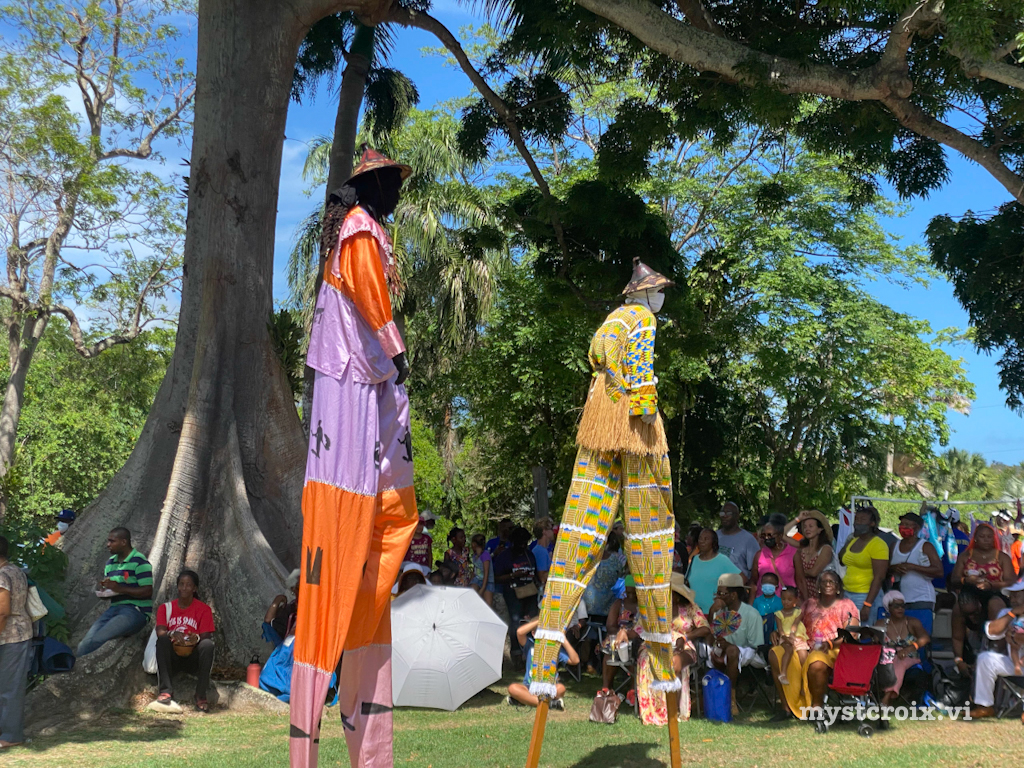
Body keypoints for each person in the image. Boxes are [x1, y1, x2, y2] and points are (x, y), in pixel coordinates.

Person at [291, 146, 420, 768]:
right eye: (389, 181)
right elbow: (371, 297)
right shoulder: (360, 230)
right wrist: (395, 351)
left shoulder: (368, 229)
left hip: (364, 380)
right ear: (369, 184)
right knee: (344, 520)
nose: (396, 191)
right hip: (351, 378)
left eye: (397, 182)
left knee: (389, 514)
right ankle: (314, 738)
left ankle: (369, 747)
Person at [529, 259, 679, 706]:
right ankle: (661, 662)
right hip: (633, 424)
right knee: (650, 531)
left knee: (581, 527)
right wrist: (645, 405)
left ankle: (542, 661)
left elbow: (597, 355)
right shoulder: (642, 319)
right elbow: (638, 366)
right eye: (659, 291)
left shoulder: (612, 319)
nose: (662, 298)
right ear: (645, 293)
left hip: (599, 421)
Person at [770, 570, 858, 720]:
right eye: (824, 582)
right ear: (818, 586)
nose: (828, 584)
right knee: (775, 653)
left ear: (838, 587)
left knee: (816, 660)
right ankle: (786, 708)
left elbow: (852, 635)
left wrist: (829, 643)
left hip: (833, 648)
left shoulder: (846, 605)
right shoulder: (809, 604)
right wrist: (777, 632)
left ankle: (815, 708)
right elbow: (792, 621)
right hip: (803, 645)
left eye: (832, 582)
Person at [637, 573, 710, 725]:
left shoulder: (690, 608)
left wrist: (685, 638)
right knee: (646, 659)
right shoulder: (654, 607)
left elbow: (705, 628)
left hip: (683, 645)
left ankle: (672, 710)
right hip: (656, 643)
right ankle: (654, 710)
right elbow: (638, 628)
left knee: (674, 662)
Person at [77, 528, 153, 656]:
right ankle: (76, 670)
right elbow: (113, 589)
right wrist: (105, 592)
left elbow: (148, 591)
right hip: (114, 609)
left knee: (98, 639)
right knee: (83, 644)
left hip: (136, 611)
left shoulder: (140, 561)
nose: (108, 544)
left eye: (112, 541)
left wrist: (120, 588)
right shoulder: (110, 563)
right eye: (108, 541)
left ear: (124, 542)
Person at [151, 570, 216, 713]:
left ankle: (200, 694)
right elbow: (160, 631)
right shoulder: (165, 608)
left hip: (192, 659)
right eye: (181, 584)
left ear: (195, 588)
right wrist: (172, 633)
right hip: (172, 658)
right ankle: (166, 691)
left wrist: (196, 639)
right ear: (177, 587)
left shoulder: (203, 609)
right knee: (162, 641)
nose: (184, 588)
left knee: (208, 645)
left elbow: (206, 636)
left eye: (188, 585)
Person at [709, 573, 764, 716]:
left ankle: (731, 698)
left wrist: (728, 646)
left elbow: (755, 645)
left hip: (747, 650)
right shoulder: (719, 611)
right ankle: (707, 695)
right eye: (717, 593)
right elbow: (711, 635)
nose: (718, 597)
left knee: (733, 651)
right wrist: (711, 611)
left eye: (722, 593)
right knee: (702, 649)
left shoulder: (751, 614)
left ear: (733, 595)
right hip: (722, 649)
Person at [970, 579, 1024, 719]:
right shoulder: (1008, 613)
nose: (1012, 599)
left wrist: (1014, 636)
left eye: (1016, 595)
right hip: (1016, 664)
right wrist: (1013, 613)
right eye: (1011, 595)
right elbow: (992, 632)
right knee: (985, 659)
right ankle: (985, 706)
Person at [507, 617, 579, 710]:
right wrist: (542, 620)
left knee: (561, 688)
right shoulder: (530, 645)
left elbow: (575, 660)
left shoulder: (555, 649)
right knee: (513, 688)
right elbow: (520, 632)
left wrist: (563, 639)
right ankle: (549, 704)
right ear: (533, 634)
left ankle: (524, 700)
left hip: (550, 688)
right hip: (529, 687)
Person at [0, 535, 31, 749]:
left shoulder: (2, 575)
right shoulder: (15, 570)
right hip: (20, 633)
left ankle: (11, 736)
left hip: (9, 635)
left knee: (9, 688)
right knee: (11, 686)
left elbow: (2, 611)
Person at [889, 512, 942, 635]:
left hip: (921, 598)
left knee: (920, 634)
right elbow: (886, 569)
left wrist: (913, 567)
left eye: (907, 525)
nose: (903, 527)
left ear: (917, 528)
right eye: (901, 524)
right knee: (900, 634)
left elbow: (939, 571)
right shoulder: (894, 546)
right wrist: (894, 568)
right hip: (900, 599)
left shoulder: (925, 546)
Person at [874, 590, 929, 706]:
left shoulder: (912, 622)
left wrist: (909, 648)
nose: (900, 609)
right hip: (888, 658)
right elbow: (875, 642)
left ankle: (887, 696)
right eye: (896, 606)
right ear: (888, 607)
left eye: (902, 606)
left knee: (900, 661)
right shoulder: (880, 624)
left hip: (909, 658)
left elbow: (925, 638)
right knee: (891, 661)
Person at [494, 527, 539, 664]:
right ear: (514, 542)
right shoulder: (505, 556)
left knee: (533, 622)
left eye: (525, 543)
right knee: (516, 623)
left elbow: (536, 573)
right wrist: (514, 575)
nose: (523, 546)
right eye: (520, 543)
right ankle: (517, 656)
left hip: (530, 593)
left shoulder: (529, 555)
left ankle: (533, 655)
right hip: (513, 593)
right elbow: (497, 577)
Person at [837, 506, 888, 625]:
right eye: (856, 519)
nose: (858, 522)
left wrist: (868, 604)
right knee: (847, 630)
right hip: (847, 593)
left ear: (872, 523)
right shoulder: (854, 540)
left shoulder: (878, 545)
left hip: (865, 595)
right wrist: (850, 540)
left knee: (864, 631)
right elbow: (841, 559)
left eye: (862, 520)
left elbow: (879, 577)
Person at [685, 528, 740, 614]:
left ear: (713, 543)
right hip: (693, 612)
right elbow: (688, 581)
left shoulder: (722, 560)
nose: (702, 541)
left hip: (714, 613)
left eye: (706, 539)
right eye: (700, 538)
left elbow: (741, 578)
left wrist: (724, 595)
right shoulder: (694, 559)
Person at [749, 515, 798, 598]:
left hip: (786, 603)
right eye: (764, 535)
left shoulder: (794, 536)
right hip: (763, 604)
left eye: (770, 535)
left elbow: (800, 581)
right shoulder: (759, 554)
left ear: (779, 534)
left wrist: (798, 519)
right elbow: (754, 581)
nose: (766, 538)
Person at [791, 510, 834, 601]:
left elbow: (814, 572)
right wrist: (798, 518)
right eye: (805, 526)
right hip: (801, 593)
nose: (807, 529)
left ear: (820, 529)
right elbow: (782, 534)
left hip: (818, 594)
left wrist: (795, 572)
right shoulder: (802, 546)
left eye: (811, 526)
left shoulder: (825, 549)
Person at [773, 586, 808, 688]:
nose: (786, 602)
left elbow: (795, 624)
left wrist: (792, 635)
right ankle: (783, 674)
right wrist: (785, 637)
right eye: (783, 599)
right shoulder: (779, 614)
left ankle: (803, 681)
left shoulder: (798, 612)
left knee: (803, 655)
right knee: (788, 649)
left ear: (796, 600)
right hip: (785, 638)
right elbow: (780, 629)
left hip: (798, 637)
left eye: (789, 599)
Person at [717, 502, 760, 580]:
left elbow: (755, 570)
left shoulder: (748, 539)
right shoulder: (715, 536)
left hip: (736, 587)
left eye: (729, 513)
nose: (725, 516)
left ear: (737, 516)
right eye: (722, 513)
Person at [264, 569, 300, 644]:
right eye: (298, 588)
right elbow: (268, 622)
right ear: (293, 589)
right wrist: (277, 601)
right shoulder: (289, 609)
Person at [402, 510, 436, 578]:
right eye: (417, 525)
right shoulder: (408, 538)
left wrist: (429, 568)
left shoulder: (427, 538)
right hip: (409, 565)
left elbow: (429, 554)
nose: (419, 527)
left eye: (421, 524)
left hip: (423, 566)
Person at [469, 533, 495, 606]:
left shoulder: (485, 555)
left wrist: (483, 588)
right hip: (477, 580)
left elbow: (486, 573)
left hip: (488, 581)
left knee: (488, 606)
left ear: (474, 544)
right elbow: (475, 571)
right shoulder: (475, 556)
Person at [530, 519, 554, 586]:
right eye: (551, 529)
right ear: (544, 531)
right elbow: (542, 577)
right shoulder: (540, 551)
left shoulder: (542, 550)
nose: (553, 531)